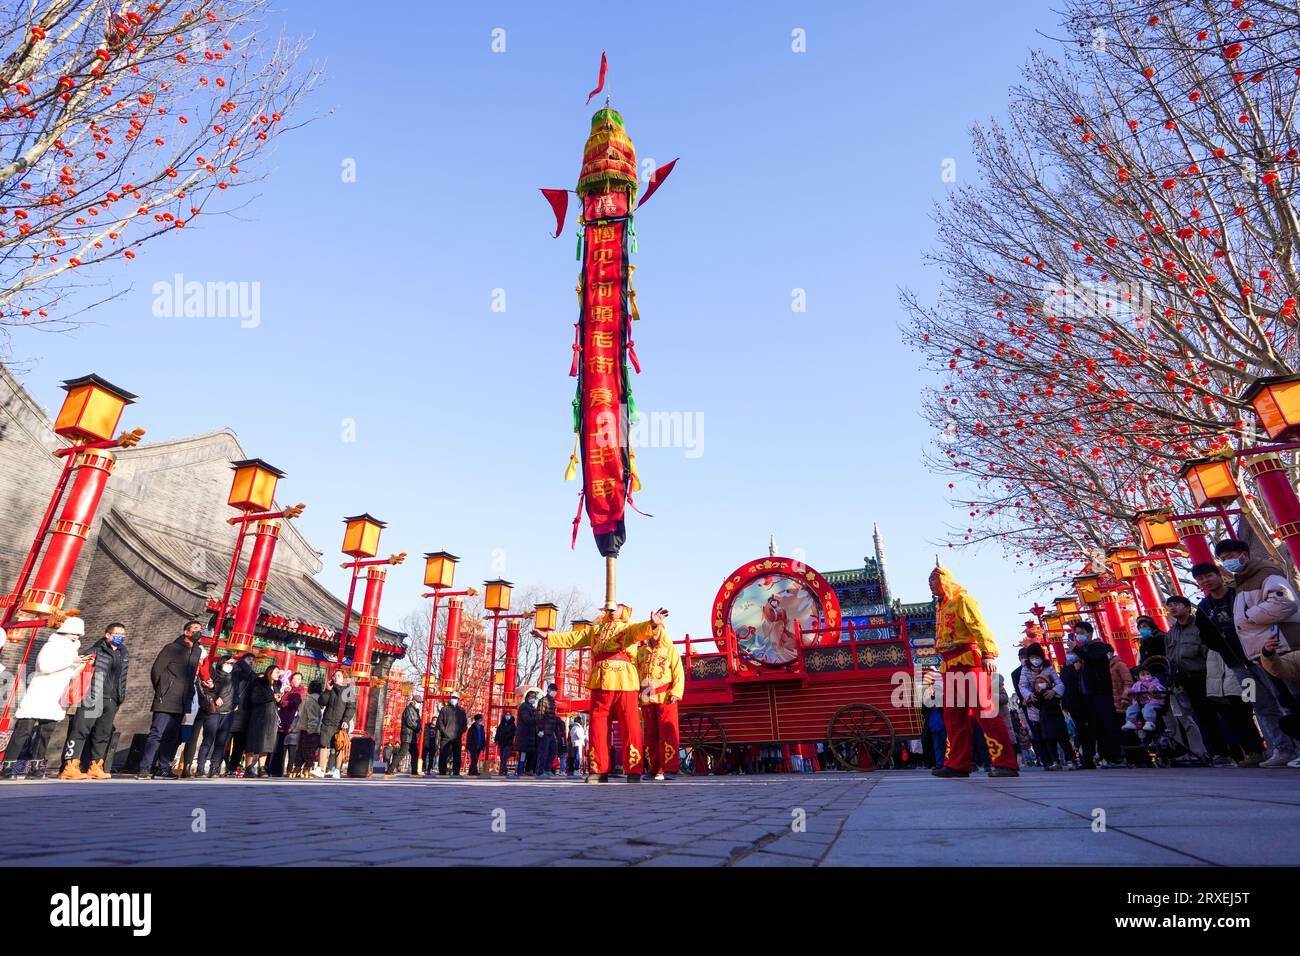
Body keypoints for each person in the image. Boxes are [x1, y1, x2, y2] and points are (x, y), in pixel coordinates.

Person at [546, 605, 670, 783]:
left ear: (624, 611)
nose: (611, 609)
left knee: (630, 724)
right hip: (600, 679)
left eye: (616, 607)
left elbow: (642, 630)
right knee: (597, 725)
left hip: (624, 680)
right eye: (609, 607)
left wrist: (652, 623)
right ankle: (598, 769)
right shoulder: (596, 630)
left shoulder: (628, 628)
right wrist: (549, 637)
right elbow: (575, 637)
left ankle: (634, 770)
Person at [1194, 558, 1299, 767]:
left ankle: (1296, 747)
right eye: (1200, 578)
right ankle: (1279, 748)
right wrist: (1226, 650)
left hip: (1263, 659)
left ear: (1219, 575)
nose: (1205, 581)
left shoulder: (1238, 595)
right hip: (1238, 666)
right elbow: (1206, 637)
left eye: (1208, 575)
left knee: (1282, 698)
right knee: (1259, 704)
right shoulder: (1204, 608)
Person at [927, 567, 1018, 778]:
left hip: (968, 661)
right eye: (929, 581)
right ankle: (957, 764)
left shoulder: (964, 600)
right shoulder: (941, 605)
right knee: (953, 716)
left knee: (985, 712)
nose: (930, 584)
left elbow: (979, 626)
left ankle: (1005, 763)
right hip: (949, 665)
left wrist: (988, 654)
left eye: (934, 580)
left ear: (945, 580)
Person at [2, 616, 91, 780]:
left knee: (45, 733)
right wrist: (70, 660)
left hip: (56, 695)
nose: (77, 637)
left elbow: (69, 674)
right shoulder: (51, 645)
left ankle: (36, 767)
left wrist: (81, 666)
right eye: (75, 634)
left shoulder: (72, 650)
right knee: (24, 730)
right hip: (40, 692)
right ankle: (8, 765)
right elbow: (44, 666)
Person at [1216, 538, 1300, 699]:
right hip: (1269, 653)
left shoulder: (1265, 572)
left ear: (1244, 555)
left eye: (1230, 556)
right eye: (1223, 559)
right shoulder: (1243, 580)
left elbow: (1285, 602)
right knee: (1287, 703)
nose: (1227, 562)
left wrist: (1250, 615)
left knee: (1295, 698)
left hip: (1285, 648)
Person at [1164, 595, 1232, 766]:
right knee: (1202, 717)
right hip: (1186, 680)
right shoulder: (1171, 633)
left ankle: (1234, 751)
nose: (1173, 608)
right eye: (1170, 606)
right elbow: (1169, 656)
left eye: (1177, 605)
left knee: (1222, 713)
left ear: (1187, 607)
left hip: (1207, 675)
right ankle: (1215, 752)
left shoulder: (1199, 626)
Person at [59, 621, 130, 781]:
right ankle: (70, 765)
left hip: (112, 699)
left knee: (103, 734)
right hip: (93, 697)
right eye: (117, 633)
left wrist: (120, 696)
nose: (120, 636)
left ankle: (96, 766)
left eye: (123, 634)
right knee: (80, 731)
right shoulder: (96, 650)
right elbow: (79, 669)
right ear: (108, 635)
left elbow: (122, 677)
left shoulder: (123, 653)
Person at [135, 621, 204, 780]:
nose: (198, 632)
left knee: (172, 737)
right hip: (166, 697)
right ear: (186, 632)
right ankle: (144, 768)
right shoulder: (172, 648)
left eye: (200, 630)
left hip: (182, 700)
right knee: (156, 733)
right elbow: (156, 671)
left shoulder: (196, 652)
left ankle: (163, 768)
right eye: (195, 629)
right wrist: (162, 689)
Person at [637, 623, 684, 781]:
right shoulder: (641, 652)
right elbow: (636, 673)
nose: (654, 634)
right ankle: (652, 769)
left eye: (657, 630)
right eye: (652, 630)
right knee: (650, 735)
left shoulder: (670, 650)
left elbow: (678, 672)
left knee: (668, 733)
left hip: (665, 696)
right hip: (646, 698)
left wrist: (676, 692)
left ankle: (669, 769)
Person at [1016, 643, 1067, 769]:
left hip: (1050, 704)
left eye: (1037, 656)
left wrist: (1054, 691)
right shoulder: (1025, 669)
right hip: (1035, 705)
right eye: (1032, 657)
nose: (1035, 660)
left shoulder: (1048, 666)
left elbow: (1059, 682)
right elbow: (1022, 685)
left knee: (1058, 734)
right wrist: (1028, 695)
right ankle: (1048, 761)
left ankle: (1064, 759)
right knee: (1040, 734)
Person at [193, 654, 234, 777]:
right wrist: (215, 697)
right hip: (213, 712)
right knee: (208, 740)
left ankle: (215, 768)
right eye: (228, 663)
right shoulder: (214, 675)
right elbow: (207, 689)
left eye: (232, 664)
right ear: (222, 663)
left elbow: (237, 692)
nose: (230, 666)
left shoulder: (234, 678)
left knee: (221, 743)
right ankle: (200, 768)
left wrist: (235, 702)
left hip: (228, 713)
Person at [243, 664, 284, 778]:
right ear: (270, 672)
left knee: (266, 744)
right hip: (259, 716)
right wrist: (272, 697)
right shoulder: (259, 683)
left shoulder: (276, 685)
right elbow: (255, 699)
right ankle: (249, 767)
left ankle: (262, 768)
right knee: (253, 742)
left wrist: (279, 700)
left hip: (271, 717)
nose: (278, 674)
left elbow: (278, 702)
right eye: (276, 672)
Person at [318, 671, 356, 777]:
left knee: (339, 746)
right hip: (327, 721)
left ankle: (337, 770)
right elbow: (321, 702)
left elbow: (351, 707)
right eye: (334, 675)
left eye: (338, 675)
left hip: (340, 723)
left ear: (343, 678)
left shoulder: (348, 691)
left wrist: (346, 720)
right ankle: (320, 769)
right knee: (323, 744)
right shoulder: (330, 690)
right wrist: (327, 690)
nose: (335, 677)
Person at [224, 651, 257, 775]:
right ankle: (221, 765)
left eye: (253, 660)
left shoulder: (252, 676)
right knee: (224, 741)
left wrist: (240, 661)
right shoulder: (233, 674)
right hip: (230, 711)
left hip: (245, 715)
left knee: (239, 745)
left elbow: (249, 672)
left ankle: (232, 768)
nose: (251, 662)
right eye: (248, 659)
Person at [271, 672, 304, 776]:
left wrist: (282, 702)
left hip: (288, 722)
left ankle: (277, 770)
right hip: (278, 720)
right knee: (274, 746)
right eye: (294, 678)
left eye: (298, 679)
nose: (295, 680)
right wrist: (283, 692)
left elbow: (293, 704)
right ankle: (271, 768)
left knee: (281, 747)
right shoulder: (287, 689)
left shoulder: (299, 691)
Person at [293, 680, 325, 777]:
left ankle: (300, 769)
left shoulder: (310, 700)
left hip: (308, 730)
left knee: (304, 751)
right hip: (313, 730)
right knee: (309, 751)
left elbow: (313, 718)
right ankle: (303, 769)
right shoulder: (319, 700)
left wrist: (311, 731)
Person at [1121, 665, 1166, 732]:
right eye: (1143, 675)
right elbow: (1134, 690)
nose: (1146, 676)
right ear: (1138, 677)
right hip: (1141, 702)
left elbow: (1161, 688)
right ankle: (1130, 721)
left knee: (1148, 707)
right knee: (1132, 708)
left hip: (1153, 701)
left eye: (1148, 674)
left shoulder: (1154, 681)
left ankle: (1150, 722)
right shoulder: (1137, 684)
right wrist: (1128, 691)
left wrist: (1155, 689)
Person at [435, 691, 468, 776]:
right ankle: (442, 771)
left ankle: (456, 772)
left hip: (457, 737)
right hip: (446, 737)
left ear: (458, 699)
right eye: (452, 697)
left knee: (457, 755)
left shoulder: (461, 711)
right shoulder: (444, 709)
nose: (454, 699)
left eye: (455, 698)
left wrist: (460, 732)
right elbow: (439, 722)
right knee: (443, 755)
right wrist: (444, 731)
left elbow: (465, 724)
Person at [389, 696, 421, 776]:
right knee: (402, 753)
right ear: (413, 701)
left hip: (412, 736)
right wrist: (418, 728)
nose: (419, 704)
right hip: (407, 736)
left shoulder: (415, 710)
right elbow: (409, 722)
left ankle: (414, 771)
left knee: (415, 754)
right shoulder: (409, 709)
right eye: (418, 702)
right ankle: (390, 770)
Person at [534, 683, 560, 778]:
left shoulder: (552, 701)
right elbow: (540, 715)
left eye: (556, 690)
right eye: (553, 690)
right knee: (543, 751)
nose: (554, 692)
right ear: (548, 690)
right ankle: (540, 771)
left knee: (553, 750)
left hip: (551, 731)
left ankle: (547, 769)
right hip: (544, 731)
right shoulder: (543, 701)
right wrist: (540, 729)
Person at [515, 690, 538, 776]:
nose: (534, 699)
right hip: (524, 737)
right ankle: (520, 771)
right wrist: (536, 718)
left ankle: (528, 770)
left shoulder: (531, 707)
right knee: (523, 755)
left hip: (529, 737)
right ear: (528, 697)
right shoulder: (524, 707)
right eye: (533, 697)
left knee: (530, 755)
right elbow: (527, 720)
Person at [495, 711, 516, 777]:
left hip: (508, 743)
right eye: (506, 714)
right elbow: (498, 732)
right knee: (502, 757)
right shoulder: (502, 724)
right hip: (502, 743)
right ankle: (503, 770)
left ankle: (503, 769)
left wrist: (509, 736)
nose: (507, 716)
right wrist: (496, 739)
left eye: (508, 714)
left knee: (504, 757)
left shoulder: (512, 724)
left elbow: (514, 733)